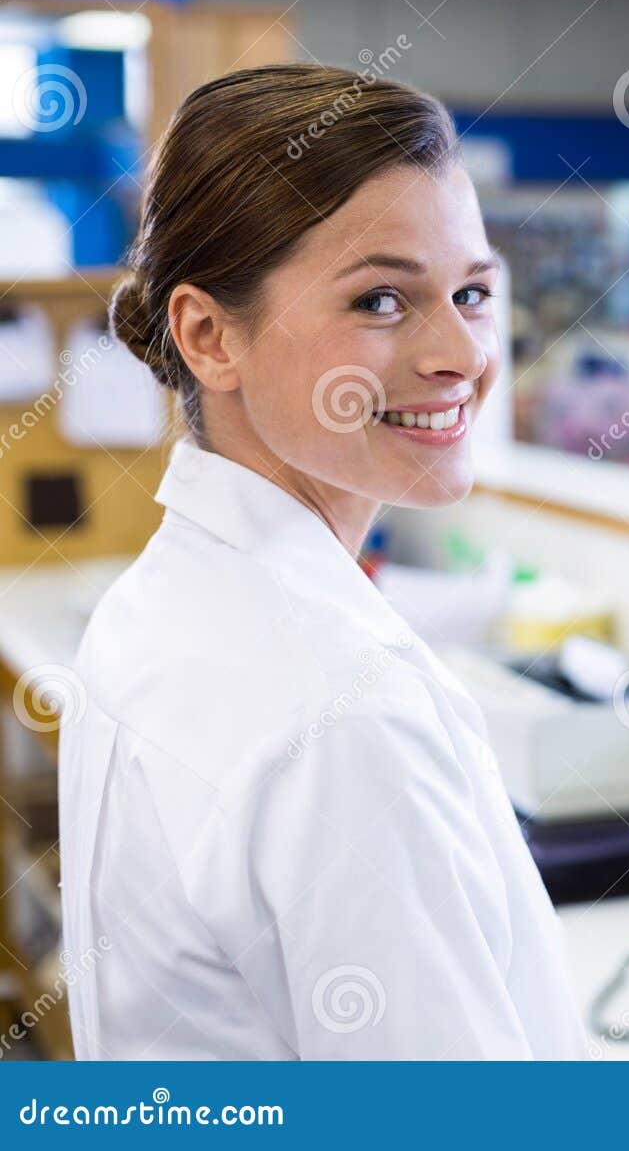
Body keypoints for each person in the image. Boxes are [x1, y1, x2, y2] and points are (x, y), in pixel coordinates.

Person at [56, 64, 585, 1059]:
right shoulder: (345, 712)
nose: (460, 353)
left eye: (470, 290)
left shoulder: (158, 604)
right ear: (209, 335)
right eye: (382, 299)